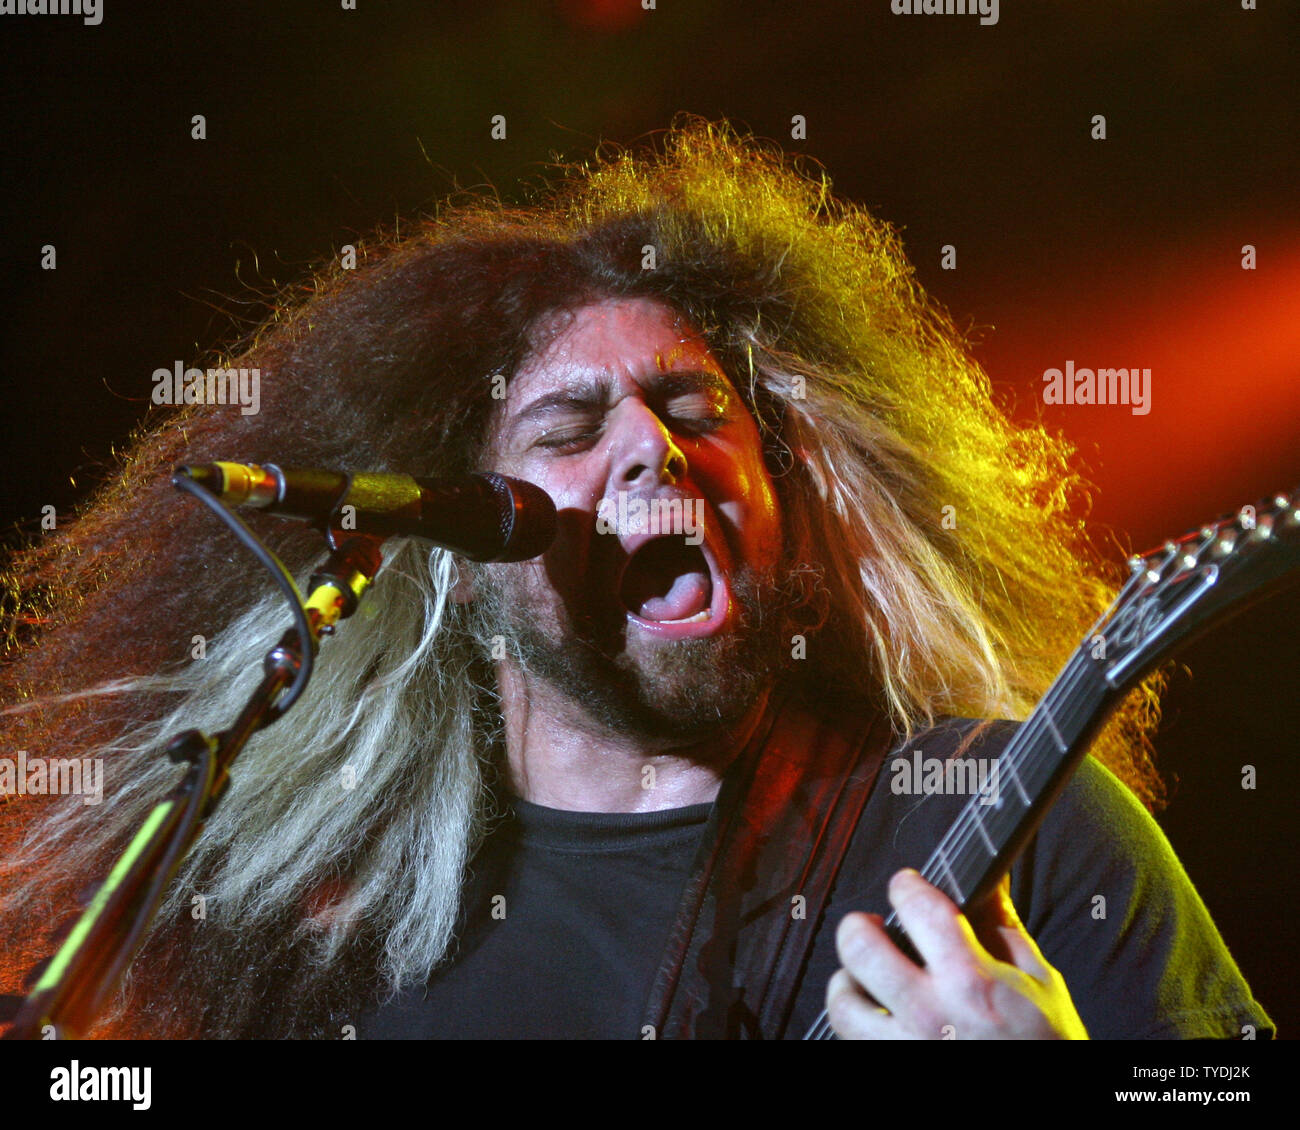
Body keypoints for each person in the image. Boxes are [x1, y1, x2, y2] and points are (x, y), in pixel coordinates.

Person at [0, 120, 1273, 1040]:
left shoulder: (1010, 816)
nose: (652, 447)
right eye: (566, 428)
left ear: (785, 505)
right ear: (465, 569)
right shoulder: (344, 945)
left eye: (694, 409)